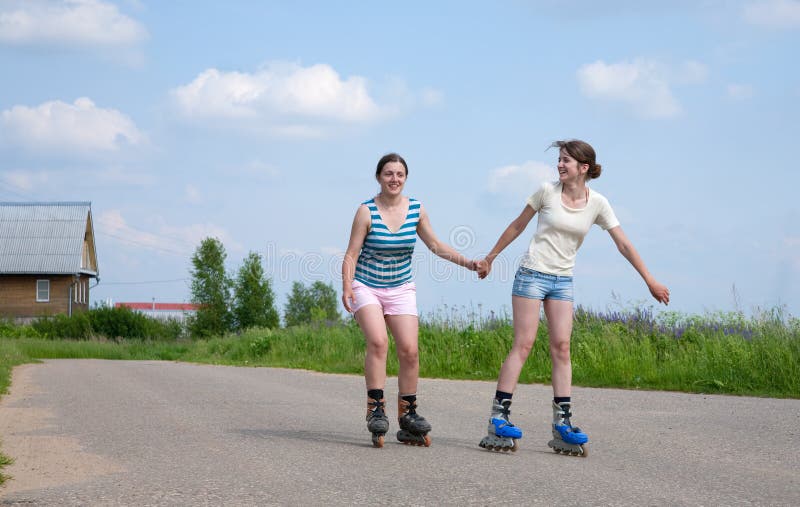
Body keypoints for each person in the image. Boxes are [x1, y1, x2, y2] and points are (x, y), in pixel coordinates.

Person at [476, 139, 669, 456]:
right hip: (532, 274)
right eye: (559, 160)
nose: (560, 165)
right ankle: (498, 419)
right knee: (523, 344)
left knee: (562, 347)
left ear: (584, 168)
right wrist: (490, 257)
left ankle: (562, 424)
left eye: (566, 160)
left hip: (562, 281)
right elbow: (517, 225)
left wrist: (649, 279)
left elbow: (623, 244)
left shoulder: (599, 203)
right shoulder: (545, 192)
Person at [342, 153, 477, 448]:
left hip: (401, 287)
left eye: (400, 174)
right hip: (366, 285)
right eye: (388, 174)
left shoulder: (416, 209)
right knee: (378, 342)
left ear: (406, 178)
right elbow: (352, 253)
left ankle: (408, 415)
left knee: (410, 350)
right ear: (379, 177)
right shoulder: (366, 211)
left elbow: (435, 245)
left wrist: (468, 263)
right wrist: (347, 286)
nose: (394, 179)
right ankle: (376, 409)